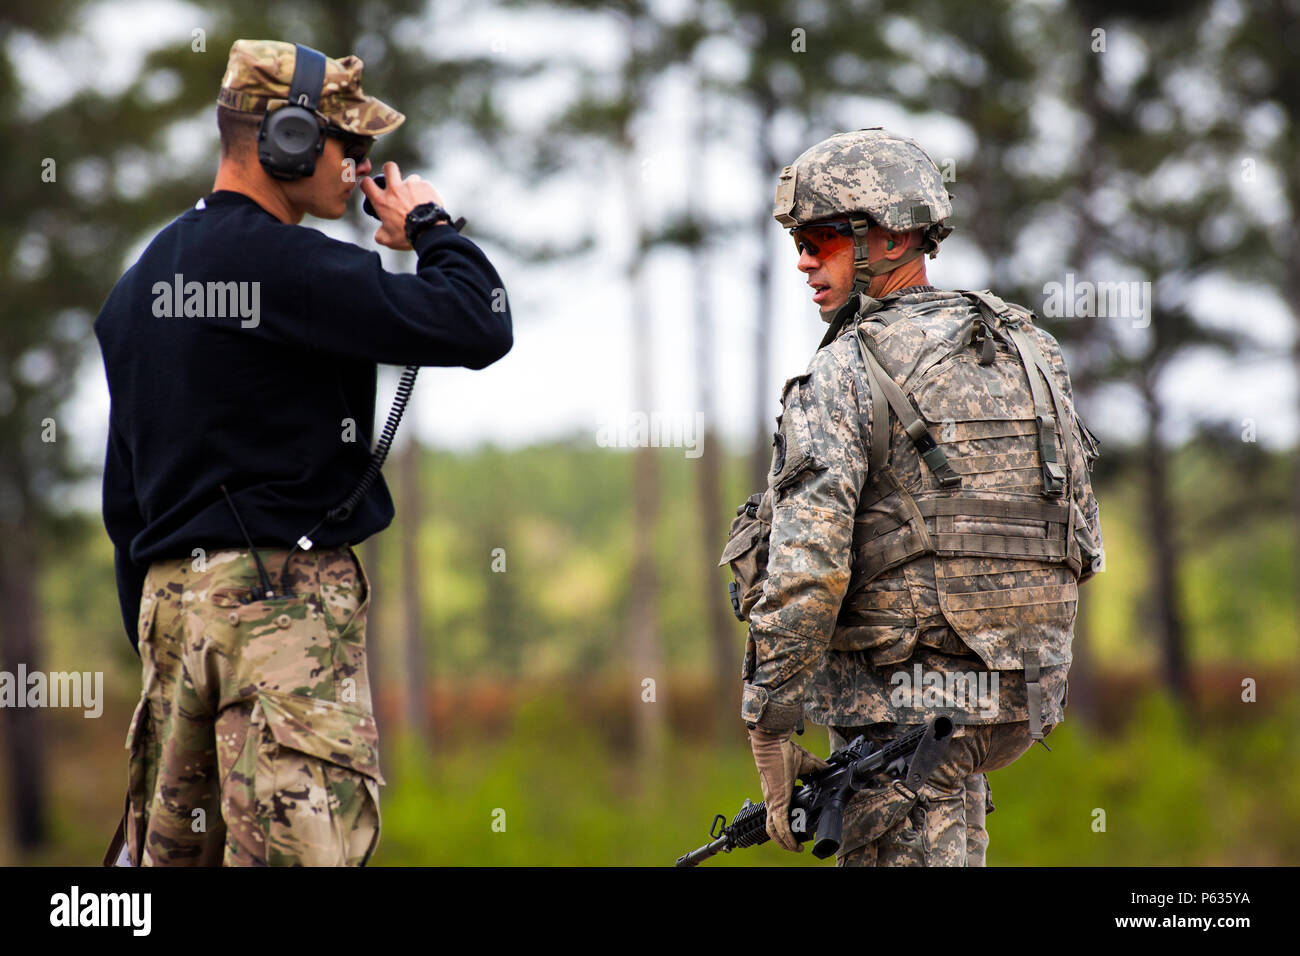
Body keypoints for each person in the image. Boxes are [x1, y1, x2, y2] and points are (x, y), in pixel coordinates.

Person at [94, 39, 512, 866]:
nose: (363, 168)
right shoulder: (291, 265)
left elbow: (124, 506)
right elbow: (479, 320)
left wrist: (167, 635)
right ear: (287, 138)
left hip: (168, 617)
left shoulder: (138, 286)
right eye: (350, 146)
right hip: (280, 614)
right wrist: (428, 227)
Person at [734, 128, 1102, 866]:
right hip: (1006, 706)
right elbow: (1082, 541)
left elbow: (808, 571)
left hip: (894, 719)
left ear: (893, 236)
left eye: (823, 236)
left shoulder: (843, 372)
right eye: (797, 239)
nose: (803, 258)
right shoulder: (1027, 347)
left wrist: (770, 724)